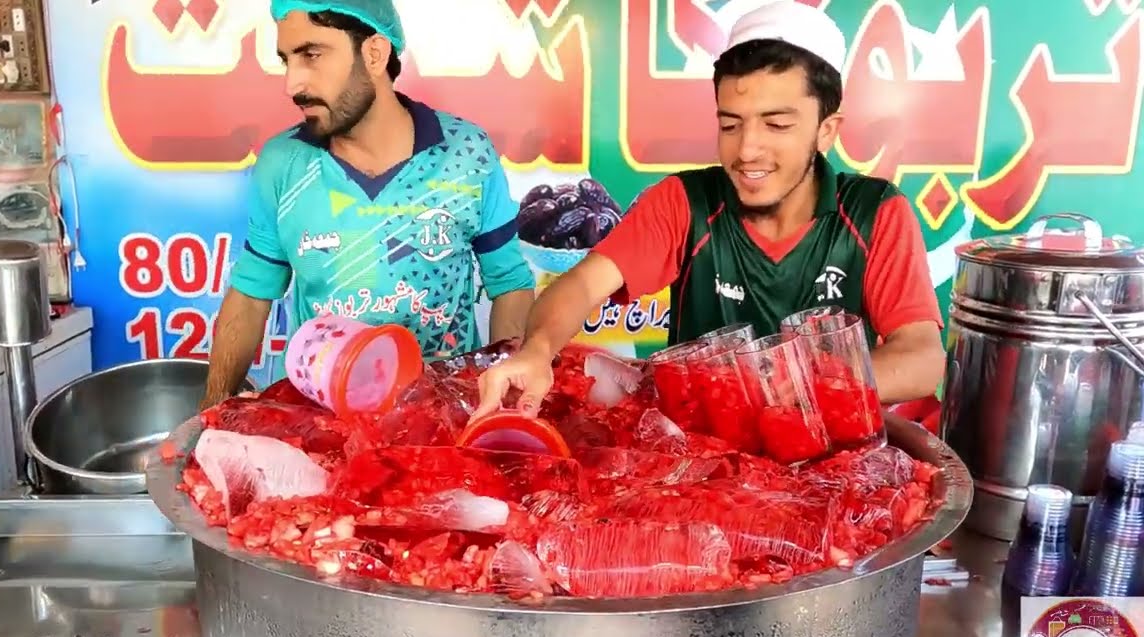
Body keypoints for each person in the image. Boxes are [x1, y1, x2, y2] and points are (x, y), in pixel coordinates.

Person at [473, 1, 945, 419]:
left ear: (826, 130)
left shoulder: (873, 212)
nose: (748, 150)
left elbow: (922, 358)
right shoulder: (685, 201)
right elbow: (578, 288)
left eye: (777, 124)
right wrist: (537, 350)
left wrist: (811, 385)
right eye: (731, 125)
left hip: (827, 463)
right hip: (699, 465)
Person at [202, 0, 536, 408]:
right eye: (287, 59)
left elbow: (511, 285)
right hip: (319, 422)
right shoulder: (282, 165)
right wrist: (209, 415)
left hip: (441, 426)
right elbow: (252, 298)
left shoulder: (466, 153)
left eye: (312, 55)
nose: (292, 83)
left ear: (374, 54)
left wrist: (501, 408)